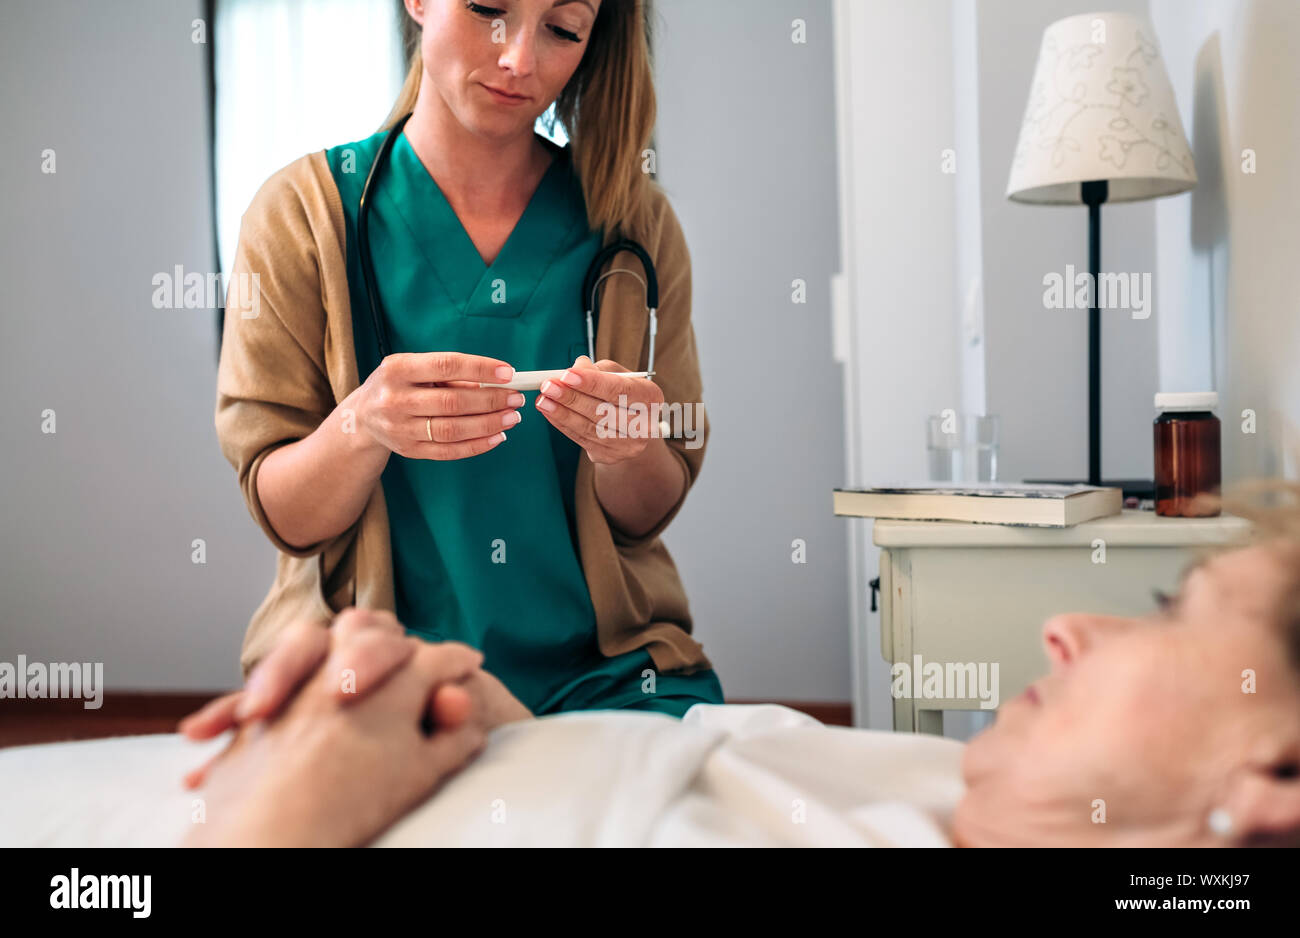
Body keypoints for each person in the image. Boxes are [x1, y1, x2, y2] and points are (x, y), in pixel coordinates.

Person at [180, 486, 1300, 847]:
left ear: (1278, 781)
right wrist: (463, 705)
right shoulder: (927, 785)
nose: (1068, 623)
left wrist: (282, 810)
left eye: (1172, 609)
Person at [215, 0, 722, 721]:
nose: (519, 57)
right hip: (378, 673)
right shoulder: (301, 218)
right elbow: (287, 516)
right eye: (489, 8)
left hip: (604, 678)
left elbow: (647, 513)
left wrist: (627, 450)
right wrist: (362, 424)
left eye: (562, 29)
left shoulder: (635, 225)